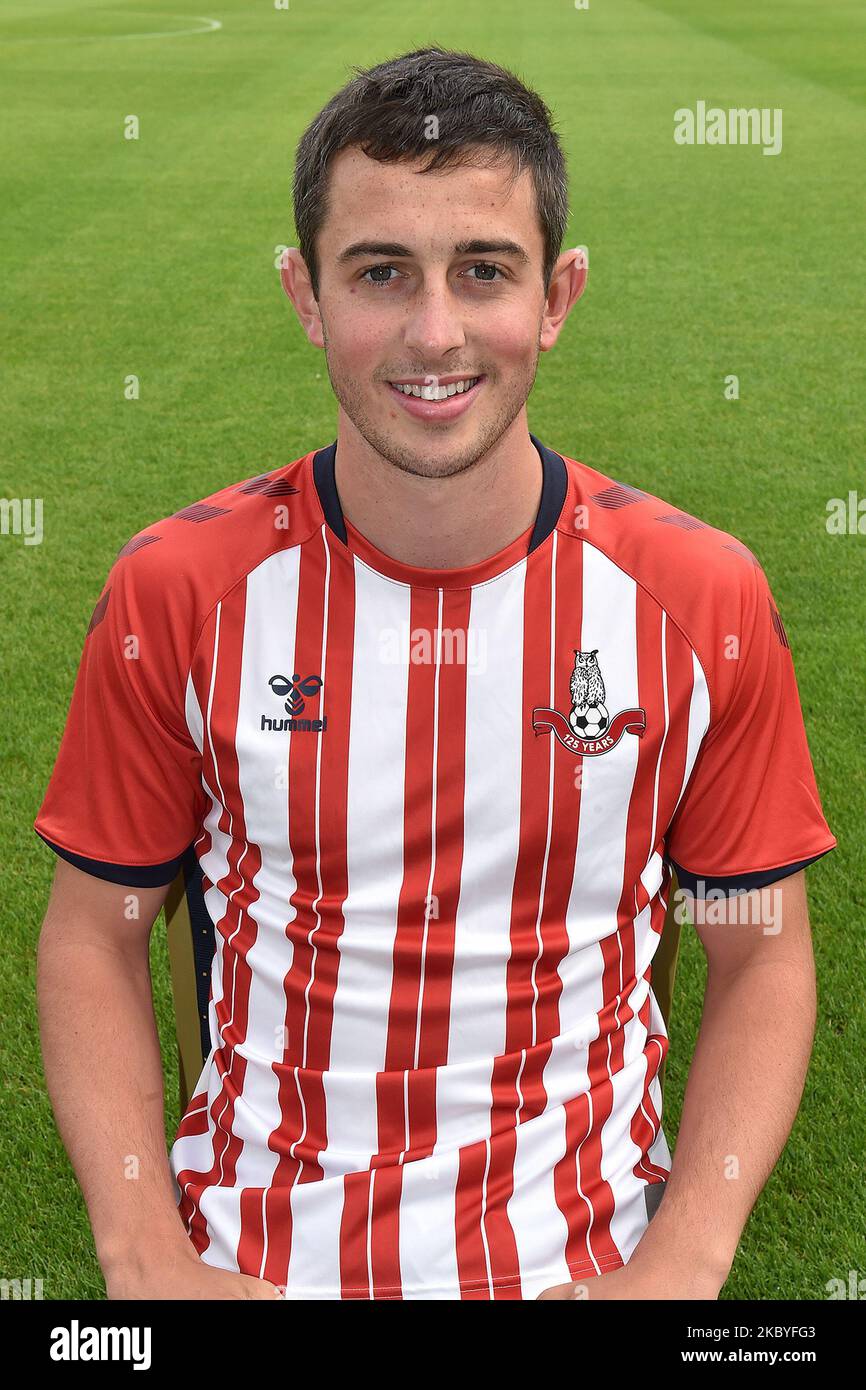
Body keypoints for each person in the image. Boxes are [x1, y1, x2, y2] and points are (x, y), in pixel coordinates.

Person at [34, 46, 836, 1301]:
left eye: (482, 271)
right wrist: (144, 1255)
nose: (433, 333)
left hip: (581, 1264)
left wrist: (679, 1264)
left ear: (557, 294)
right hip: (250, 1264)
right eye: (379, 273)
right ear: (305, 294)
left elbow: (755, 944)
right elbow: (97, 928)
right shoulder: (178, 591)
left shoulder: (697, 598)